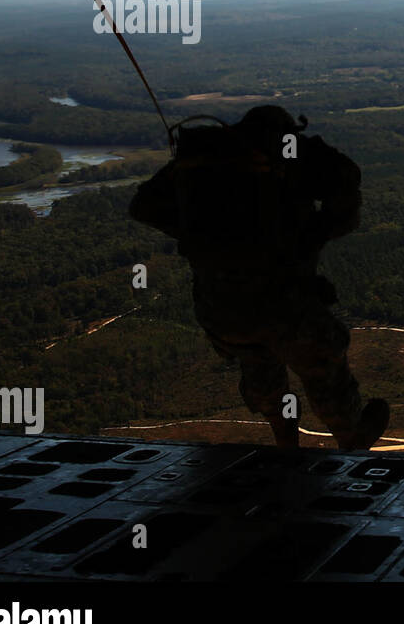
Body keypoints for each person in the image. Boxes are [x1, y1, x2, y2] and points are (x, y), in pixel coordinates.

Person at [129, 106, 388, 450]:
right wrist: (312, 234)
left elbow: (143, 206)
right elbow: (345, 184)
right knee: (323, 370)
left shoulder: (206, 164)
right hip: (286, 304)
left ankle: (284, 438)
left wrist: (196, 235)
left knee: (258, 367)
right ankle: (350, 439)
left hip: (221, 309)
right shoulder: (286, 157)